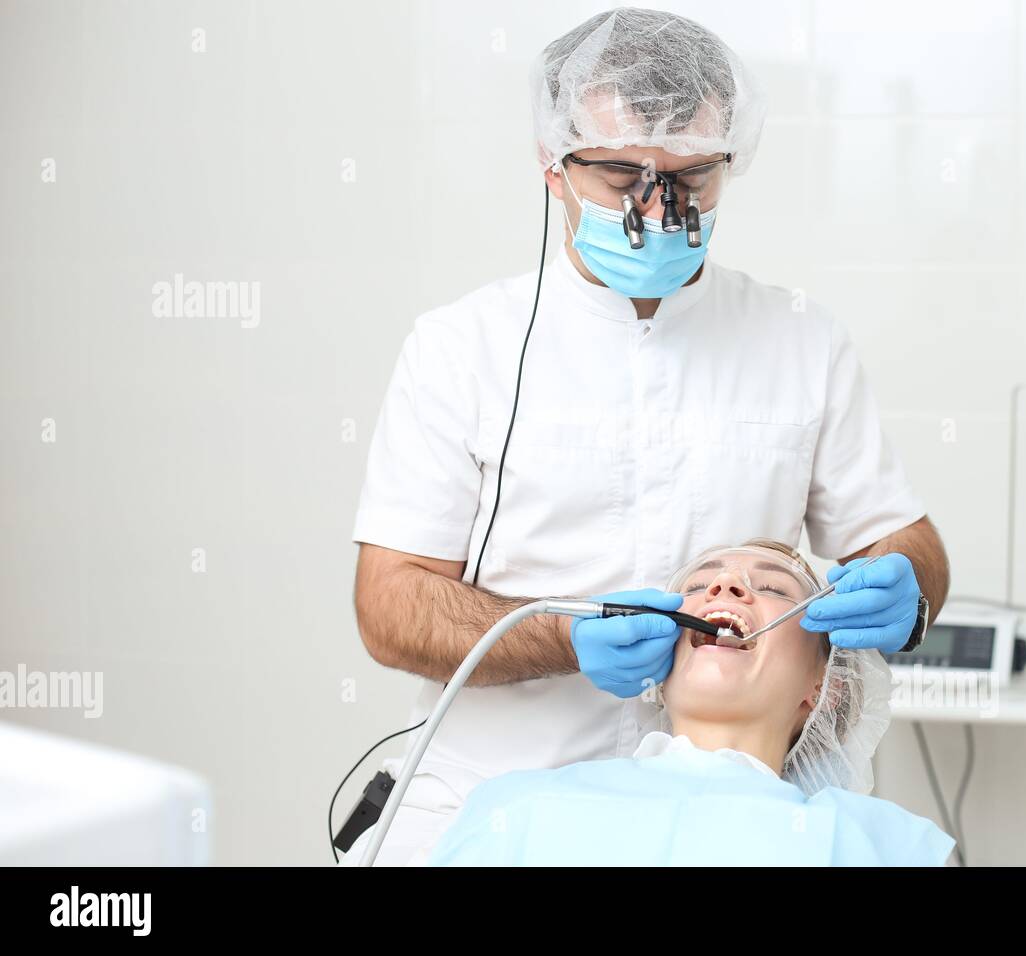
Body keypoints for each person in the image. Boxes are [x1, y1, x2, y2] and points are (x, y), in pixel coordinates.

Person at [346, 8, 949, 865]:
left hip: (743, 816)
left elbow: (905, 542)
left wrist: (912, 592)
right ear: (554, 165)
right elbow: (390, 603)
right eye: (625, 174)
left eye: (692, 176)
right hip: (487, 803)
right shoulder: (461, 348)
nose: (660, 208)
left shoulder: (800, 341)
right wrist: (566, 637)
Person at [423, 541, 954, 866]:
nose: (726, 585)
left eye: (773, 587)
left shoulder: (878, 845)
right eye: (701, 585)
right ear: (658, 660)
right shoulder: (516, 809)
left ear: (823, 687)